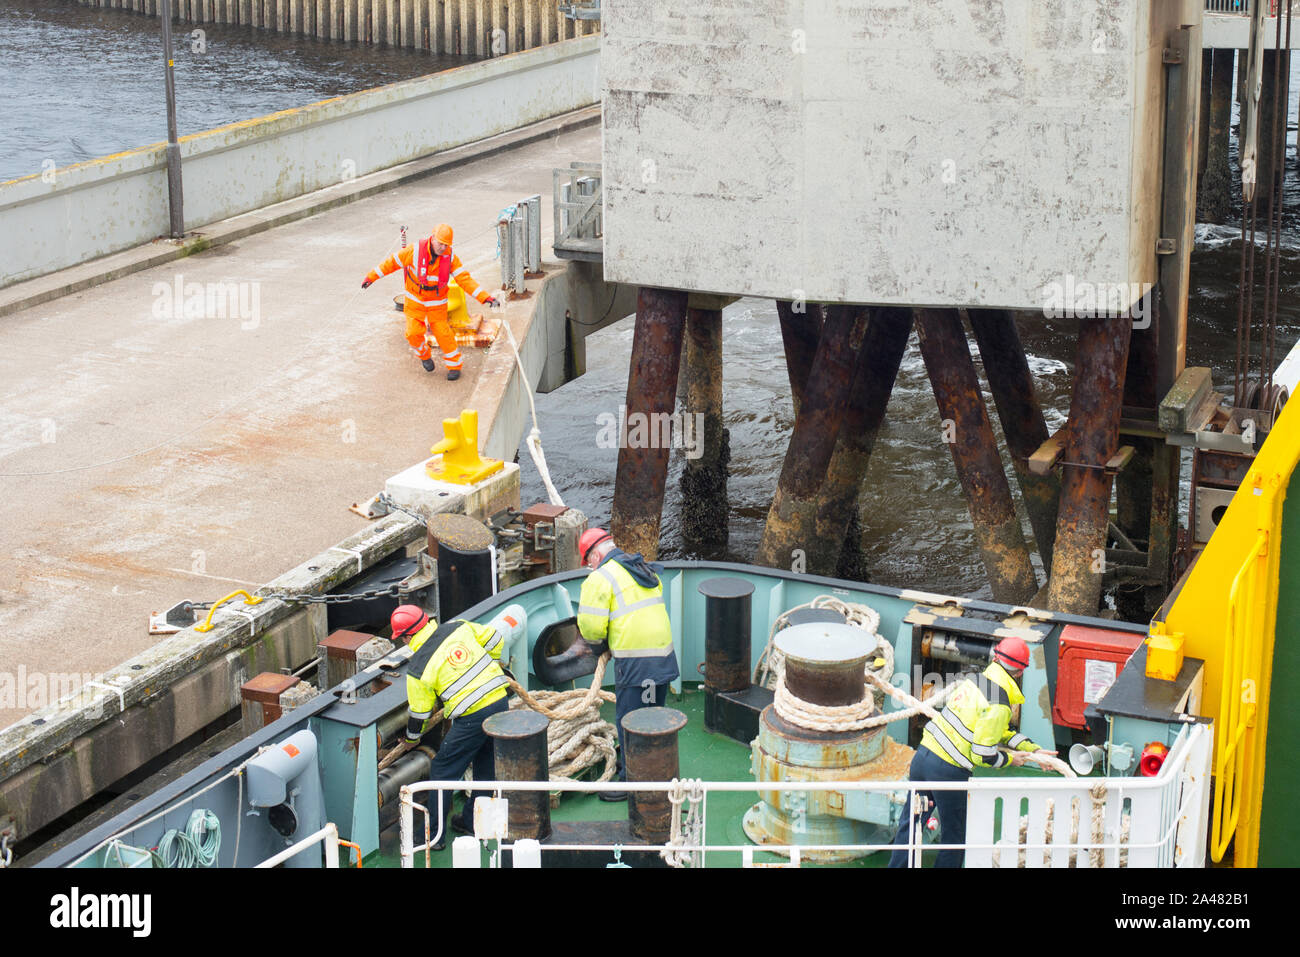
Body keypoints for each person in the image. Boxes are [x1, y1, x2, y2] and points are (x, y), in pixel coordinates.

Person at [888, 636, 1056, 868]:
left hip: (923, 757)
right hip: (948, 772)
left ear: (996, 659)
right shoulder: (999, 703)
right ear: (1020, 672)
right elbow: (983, 755)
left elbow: (1000, 731)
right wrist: (1010, 759)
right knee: (954, 838)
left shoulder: (976, 681)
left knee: (911, 824)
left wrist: (1031, 748)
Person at [388, 604, 510, 849]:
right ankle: (473, 823)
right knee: (486, 765)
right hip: (499, 701)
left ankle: (434, 836)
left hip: (472, 717)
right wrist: (492, 665)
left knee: (443, 770)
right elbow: (496, 638)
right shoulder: (459, 628)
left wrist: (411, 740)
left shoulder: (418, 668)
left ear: (408, 636)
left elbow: (420, 713)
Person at [574, 527, 679, 801]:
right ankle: (656, 770)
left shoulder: (601, 578)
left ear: (596, 555)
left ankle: (630, 782)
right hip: (663, 658)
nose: (589, 566)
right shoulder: (642, 568)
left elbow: (591, 627)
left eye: (588, 561)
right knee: (654, 714)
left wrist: (599, 644)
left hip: (635, 663)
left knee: (629, 720)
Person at [362, 223, 499, 380]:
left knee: (444, 335)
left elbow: (465, 280)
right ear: (432, 238)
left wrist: (485, 297)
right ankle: (424, 356)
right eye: (440, 243)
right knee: (413, 334)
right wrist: (371, 277)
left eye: (446, 245)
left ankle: (454, 366)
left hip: (437, 304)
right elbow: (391, 263)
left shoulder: (450, 258)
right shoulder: (414, 251)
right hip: (415, 302)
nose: (442, 247)